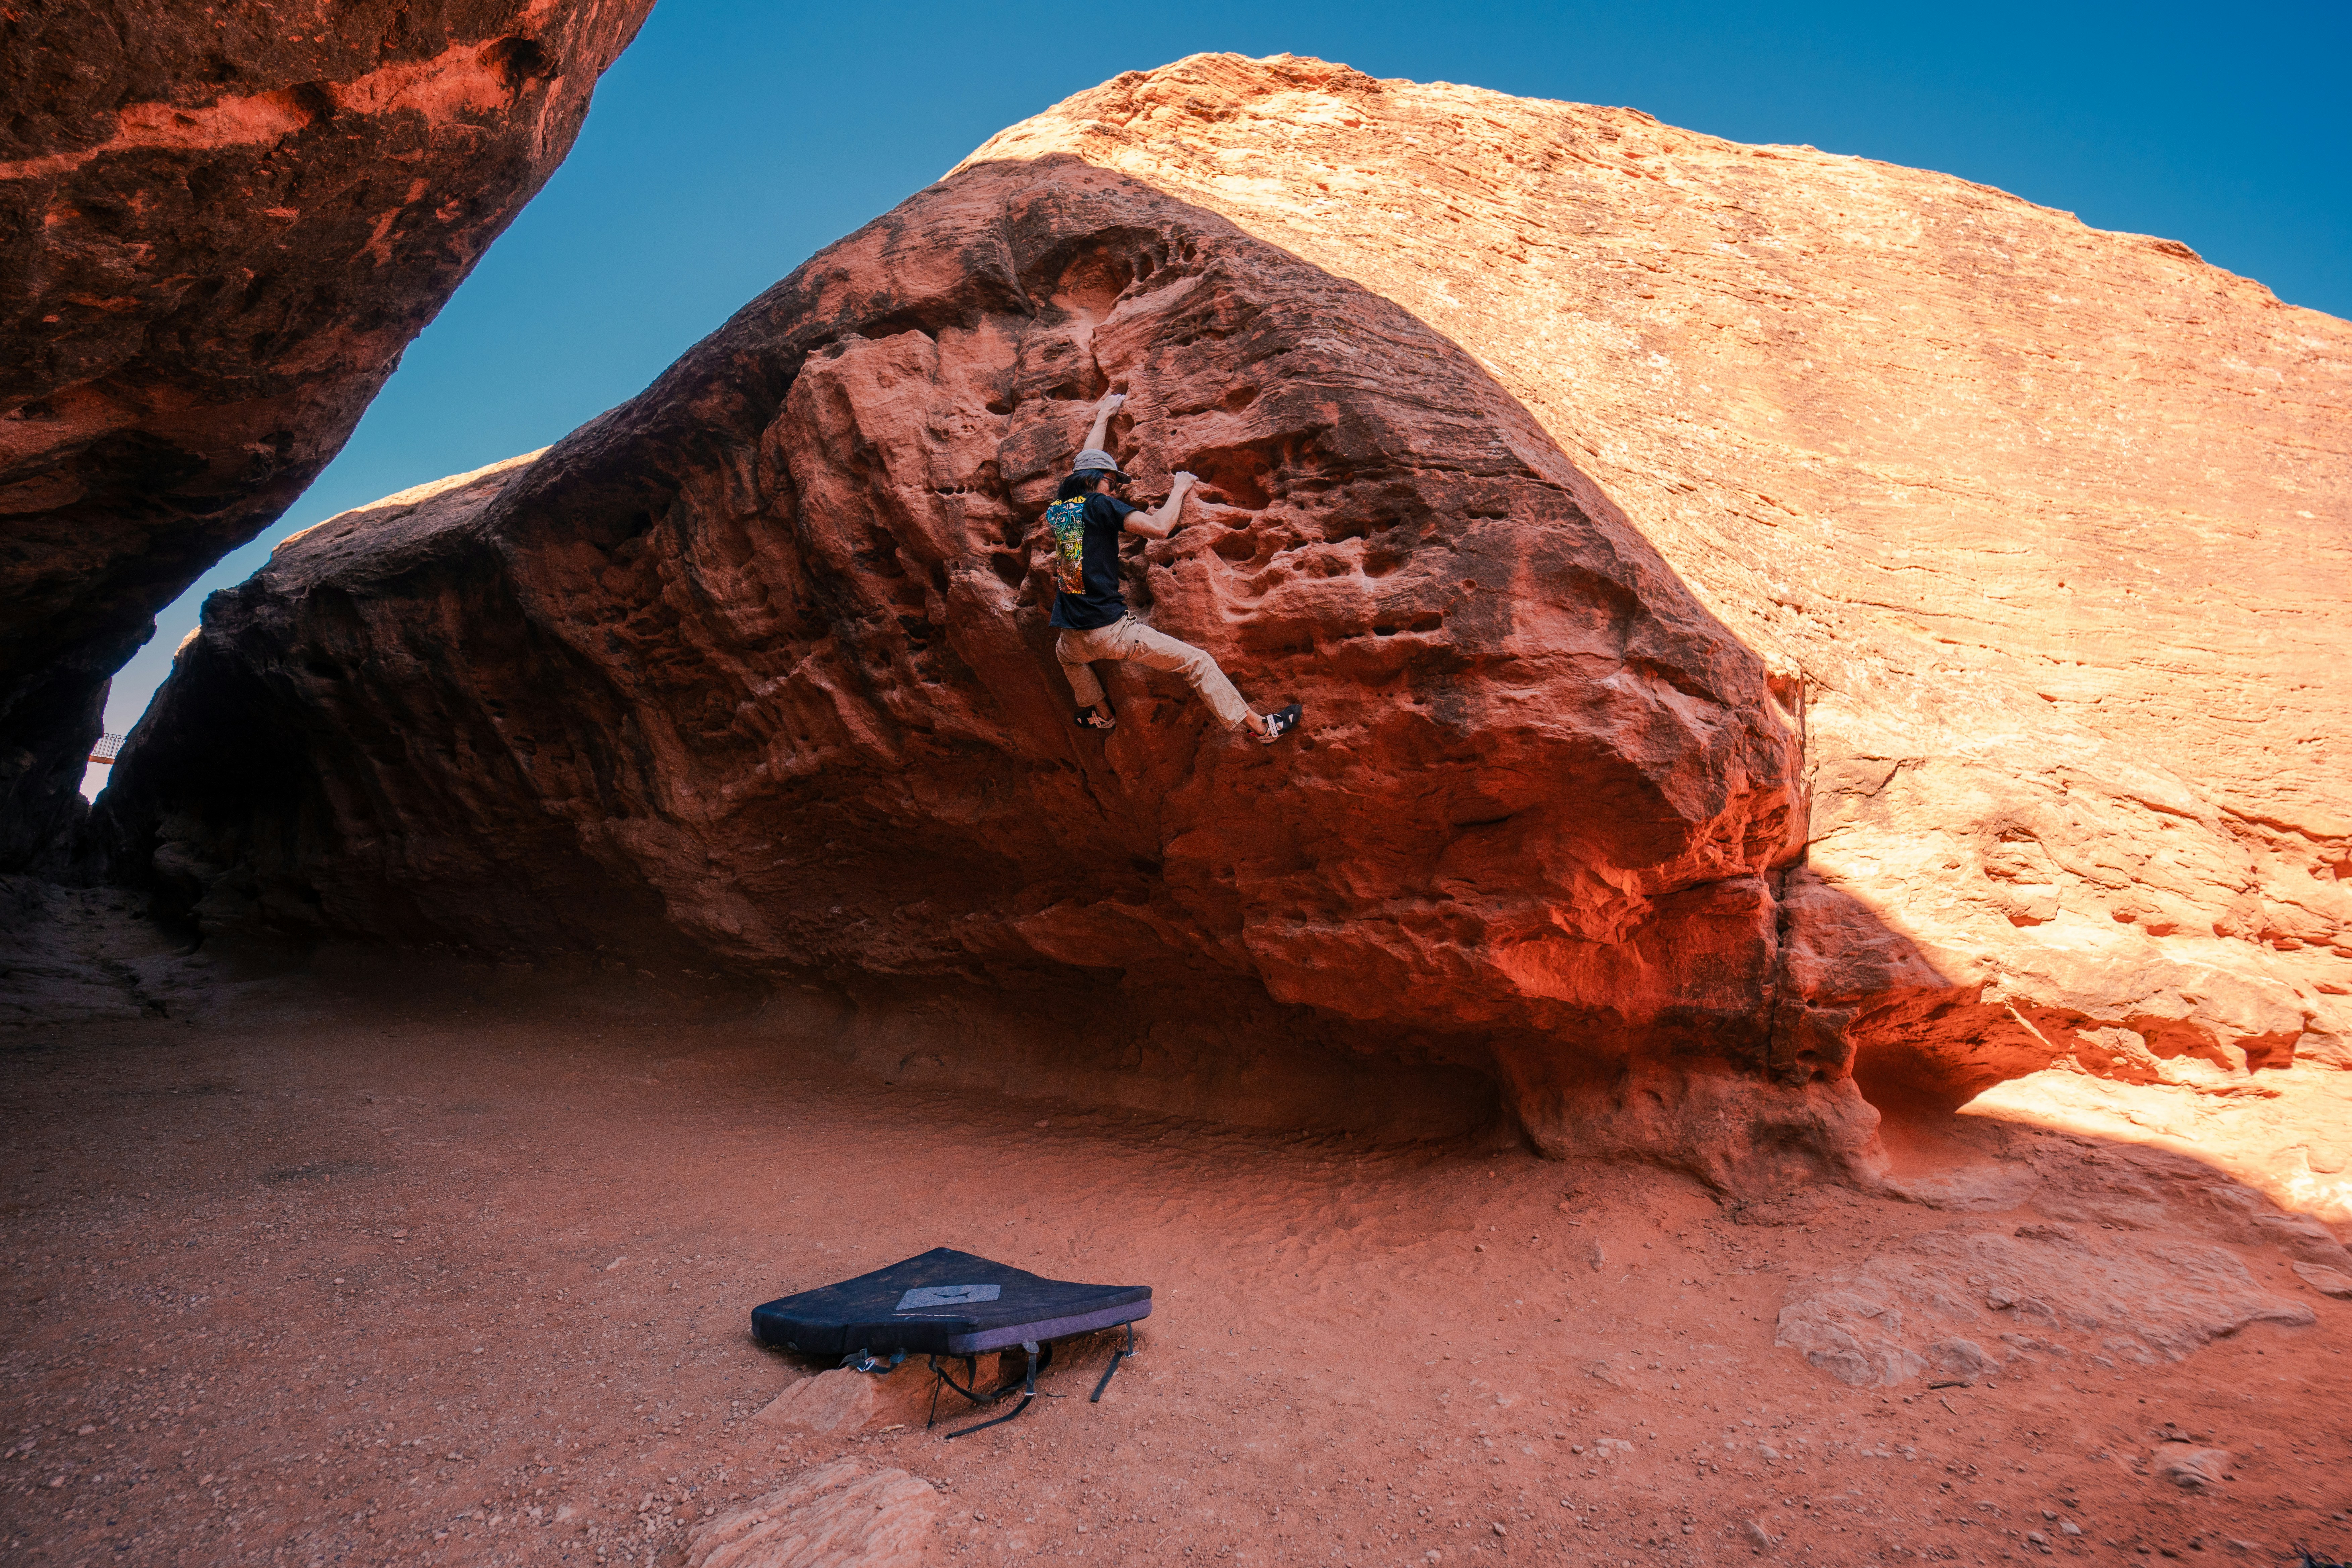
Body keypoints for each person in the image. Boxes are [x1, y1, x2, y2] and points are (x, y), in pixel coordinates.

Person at [1044, 391, 1303, 745]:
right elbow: (1160, 529)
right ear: (1102, 481)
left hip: (1072, 638)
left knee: (1067, 659)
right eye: (1115, 481)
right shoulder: (1102, 504)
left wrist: (1104, 416)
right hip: (1113, 634)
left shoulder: (1061, 507)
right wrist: (1180, 489)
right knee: (1197, 662)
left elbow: (1085, 464)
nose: (1117, 489)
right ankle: (1263, 728)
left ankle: (1102, 715)